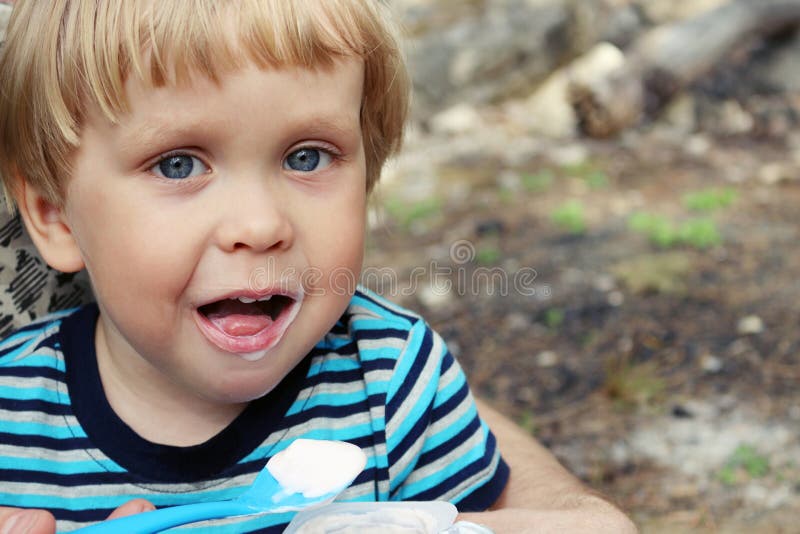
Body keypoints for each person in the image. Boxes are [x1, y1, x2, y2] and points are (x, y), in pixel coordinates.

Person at [0, 1, 636, 532]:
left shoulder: (395, 388)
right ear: (56, 214)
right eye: (178, 165)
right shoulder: (12, 417)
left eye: (306, 157)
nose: (261, 225)